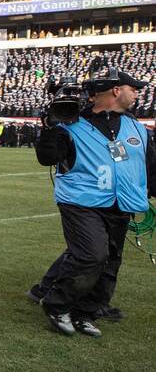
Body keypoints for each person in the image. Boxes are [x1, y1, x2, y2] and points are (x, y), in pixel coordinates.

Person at [31, 63, 154, 337]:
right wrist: (50, 126)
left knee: (110, 263)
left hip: (120, 203)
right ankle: (56, 304)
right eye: (134, 89)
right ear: (116, 90)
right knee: (92, 255)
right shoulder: (71, 125)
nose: (137, 94)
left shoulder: (138, 129)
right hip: (81, 201)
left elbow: (150, 167)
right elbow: (47, 158)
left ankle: (86, 312)